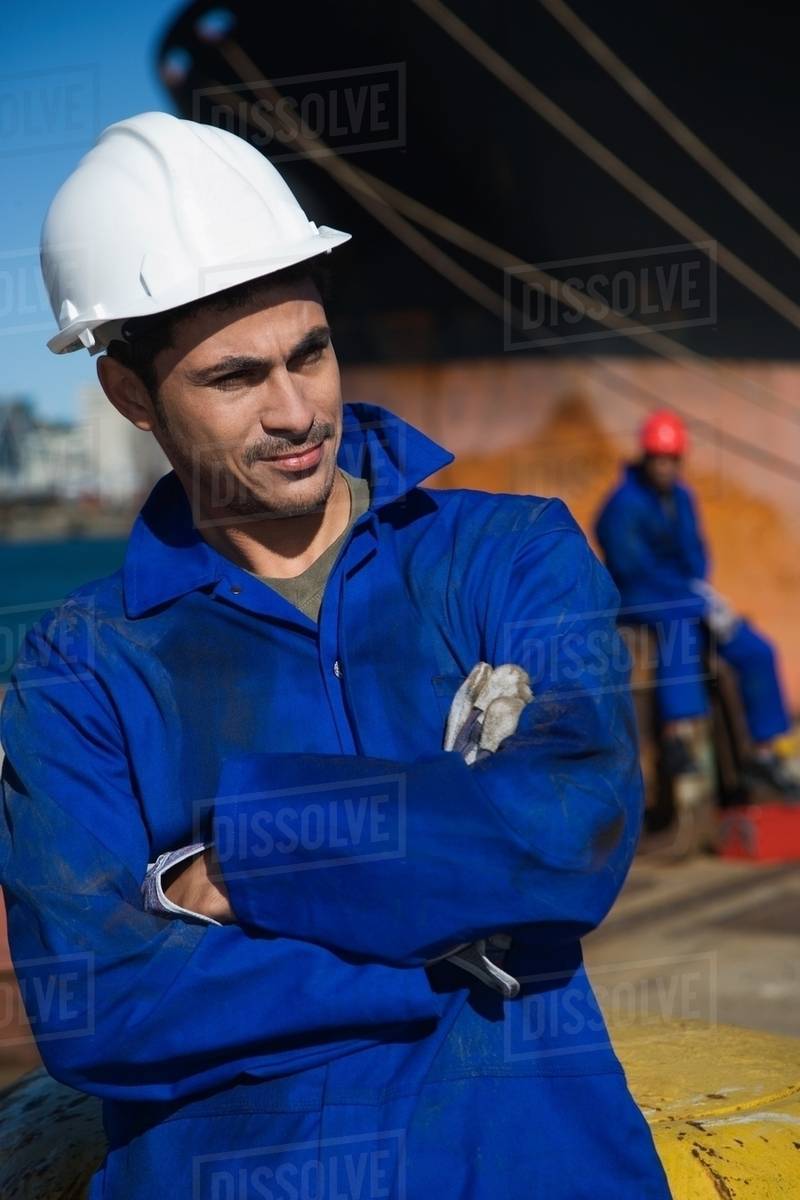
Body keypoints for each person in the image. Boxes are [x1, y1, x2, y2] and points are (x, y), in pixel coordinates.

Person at [0, 112, 671, 1199]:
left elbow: (568, 835)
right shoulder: (79, 671)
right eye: (233, 379)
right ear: (130, 395)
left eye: (309, 351)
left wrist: (253, 856)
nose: (295, 408)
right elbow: (96, 999)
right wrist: (445, 937)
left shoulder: (509, 555)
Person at [595, 409, 797, 794]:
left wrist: (703, 594)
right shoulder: (622, 504)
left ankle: (765, 753)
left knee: (753, 647)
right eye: (659, 458)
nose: (666, 467)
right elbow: (630, 567)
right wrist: (692, 598)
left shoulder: (683, 498)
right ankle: (676, 737)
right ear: (646, 457)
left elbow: (697, 553)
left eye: (672, 459)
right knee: (679, 627)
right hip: (638, 597)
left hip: (685, 595)